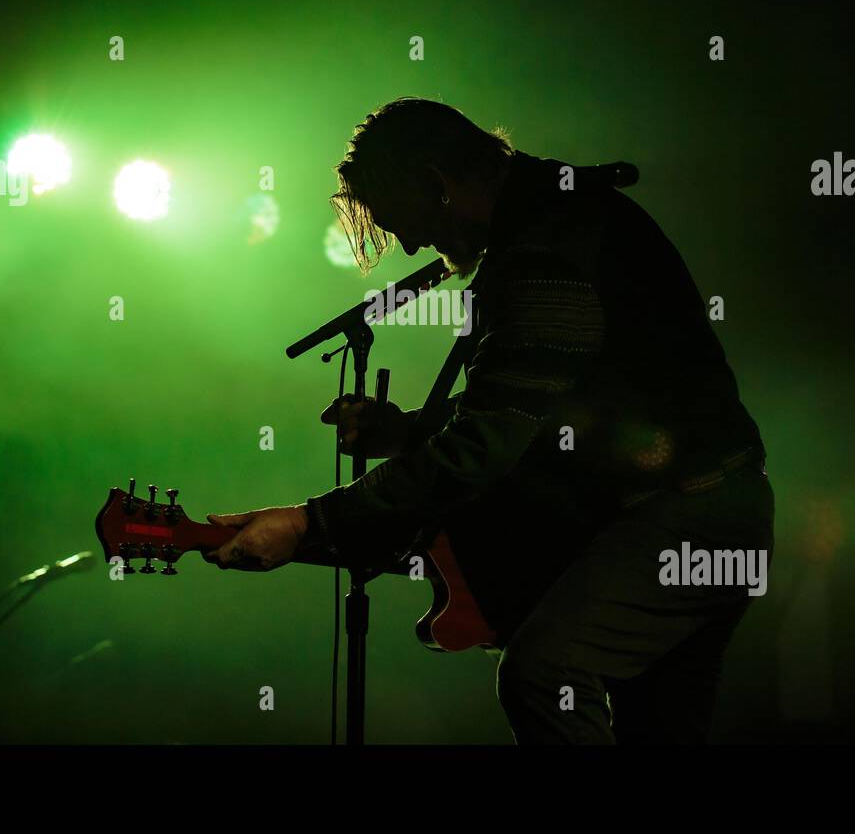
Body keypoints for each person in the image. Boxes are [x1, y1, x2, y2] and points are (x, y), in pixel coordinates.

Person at [203, 97, 774, 744]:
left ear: (437, 184)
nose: (414, 244)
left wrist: (311, 521)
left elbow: (484, 447)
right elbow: (539, 408)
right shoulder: (548, 223)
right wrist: (408, 434)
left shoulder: (545, 252)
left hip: (688, 515)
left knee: (541, 673)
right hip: (705, 507)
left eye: (408, 220)